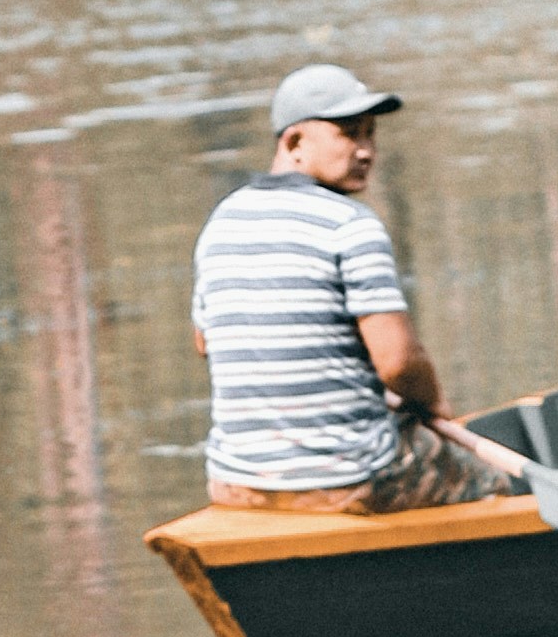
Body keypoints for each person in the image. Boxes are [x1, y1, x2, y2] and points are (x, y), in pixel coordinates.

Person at [191, 60, 522, 517]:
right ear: (294, 143)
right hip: (348, 479)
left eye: (370, 134)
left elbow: (207, 343)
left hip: (234, 480)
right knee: (494, 486)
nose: (367, 151)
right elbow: (398, 364)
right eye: (350, 134)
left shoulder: (221, 223)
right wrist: (433, 402)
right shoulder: (350, 225)